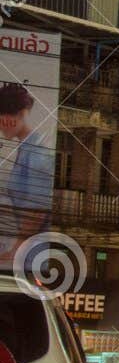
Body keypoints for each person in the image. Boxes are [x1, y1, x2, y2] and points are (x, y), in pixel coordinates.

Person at [0, 82, 52, 256]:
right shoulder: (24, 149)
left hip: (29, 253)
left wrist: (16, 251)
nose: (2, 125)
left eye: (5, 118)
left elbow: (37, 209)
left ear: (22, 114)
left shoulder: (36, 150)